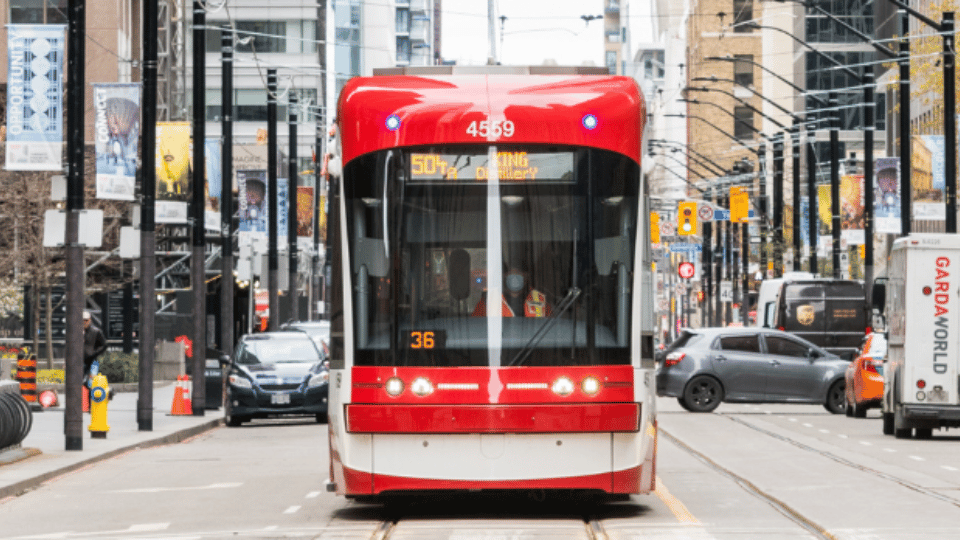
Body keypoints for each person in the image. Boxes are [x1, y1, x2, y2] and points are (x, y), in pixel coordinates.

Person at [473, 266, 552, 317]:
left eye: (518, 272)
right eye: (511, 272)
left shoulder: (538, 298)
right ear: (504, 276)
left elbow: (551, 327)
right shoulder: (489, 299)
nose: (514, 276)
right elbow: (476, 327)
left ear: (526, 276)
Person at [83, 310, 107, 378]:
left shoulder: (96, 331)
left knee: (91, 380)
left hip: (92, 361)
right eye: (82, 320)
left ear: (90, 320)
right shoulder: (77, 332)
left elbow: (103, 345)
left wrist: (94, 353)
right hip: (80, 361)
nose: (84, 322)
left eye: (86, 320)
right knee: (81, 382)